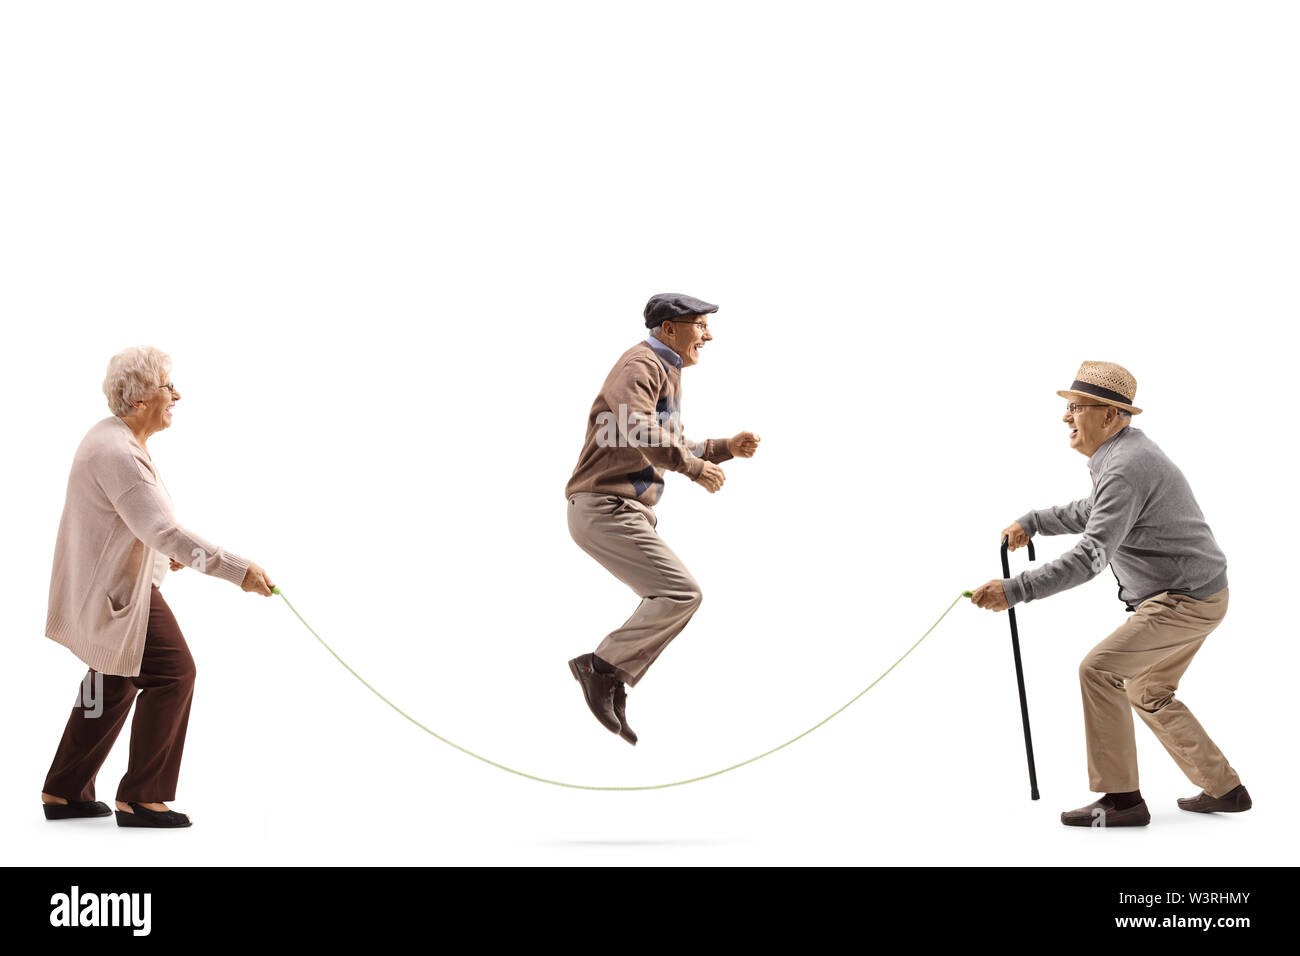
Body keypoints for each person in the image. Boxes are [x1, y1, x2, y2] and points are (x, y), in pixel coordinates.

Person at [970, 361, 1249, 827]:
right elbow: (1096, 511)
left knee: (1098, 670)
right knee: (1149, 690)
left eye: (1076, 407)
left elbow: (1089, 558)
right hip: (1200, 593)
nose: (1066, 416)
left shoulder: (1125, 466)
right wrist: (1036, 521)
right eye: (1068, 406)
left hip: (1184, 600)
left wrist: (1016, 590)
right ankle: (1226, 789)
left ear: (1111, 415)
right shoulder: (1123, 456)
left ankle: (1121, 801)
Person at [40, 346, 276, 829]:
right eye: (170, 386)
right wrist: (239, 570)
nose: (178, 395)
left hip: (101, 587)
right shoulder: (120, 453)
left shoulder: (109, 438)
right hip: (119, 595)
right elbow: (163, 529)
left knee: (114, 676)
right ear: (144, 395)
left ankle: (64, 790)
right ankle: (142, 797)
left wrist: (154, 549)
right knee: (173, 673)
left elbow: (130, 524)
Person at [564, 293, 760, 744]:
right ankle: (600, 668)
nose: (708, 335)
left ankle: (608, 672)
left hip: (619, 509)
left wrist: (724, 448)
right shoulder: (641, 366)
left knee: (674, 594)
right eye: (700, 325)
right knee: (681, 592)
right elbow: (636, 428)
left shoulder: (663, 371)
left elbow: (657, 442)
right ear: (670, 329)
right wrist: (694, 470)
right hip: (603, 506)